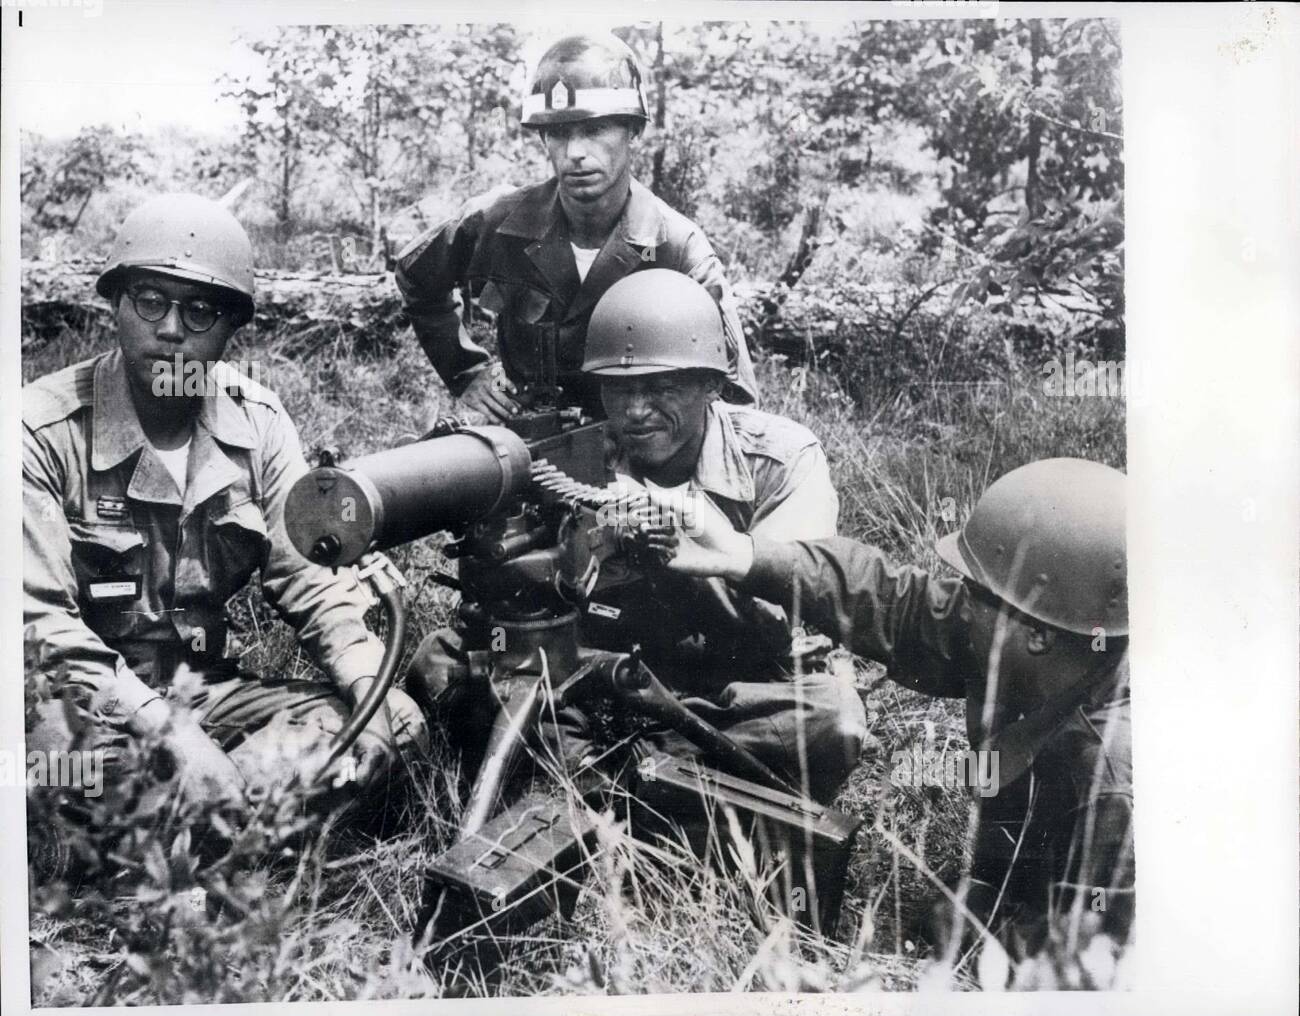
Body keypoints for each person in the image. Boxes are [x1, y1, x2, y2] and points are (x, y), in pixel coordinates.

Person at [23, 193, 427, 812]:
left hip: (206, 693)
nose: (170, 329)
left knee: (390, 722)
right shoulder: (39, 430)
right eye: (150, 300)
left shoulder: (257, 423)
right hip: (85, 702)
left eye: (201, 311)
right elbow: (38, 626)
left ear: (232, 328)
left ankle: (205, 821)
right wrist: (168, 732)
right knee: (53, 769)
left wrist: (367, 686)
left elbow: (314, 583)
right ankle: (240, 823)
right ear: (114, 305)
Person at [407, 270, 867, 804]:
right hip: (603, 660)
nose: (636, 411)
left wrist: (673, 546)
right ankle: (654, 781)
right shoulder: (576, 454)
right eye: (618, 389)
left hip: (736, 674)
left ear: (713, 384)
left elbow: (782, 609)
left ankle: (600, 773)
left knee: (830, 719)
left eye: (661, 387)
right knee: (440, 663)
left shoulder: (782, 460)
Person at [651, 456, 1135, 947]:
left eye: (974, 592)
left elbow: (1100, 957)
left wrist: (992, 927)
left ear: (1034, 634)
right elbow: (891, 601)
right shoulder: (1054, 645)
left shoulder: (1111, 779)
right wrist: (744, 555)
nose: (957, 602)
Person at [394, 31, 758, 422]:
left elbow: (734, 392)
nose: (575, 153)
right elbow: (416, 274)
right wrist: (467, 373)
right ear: (543, 139)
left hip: (634, 444)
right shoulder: (499, 222)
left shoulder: (675, 245)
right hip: (524, 435)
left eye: (595, 130)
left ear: (634, 131)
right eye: (559, 133)